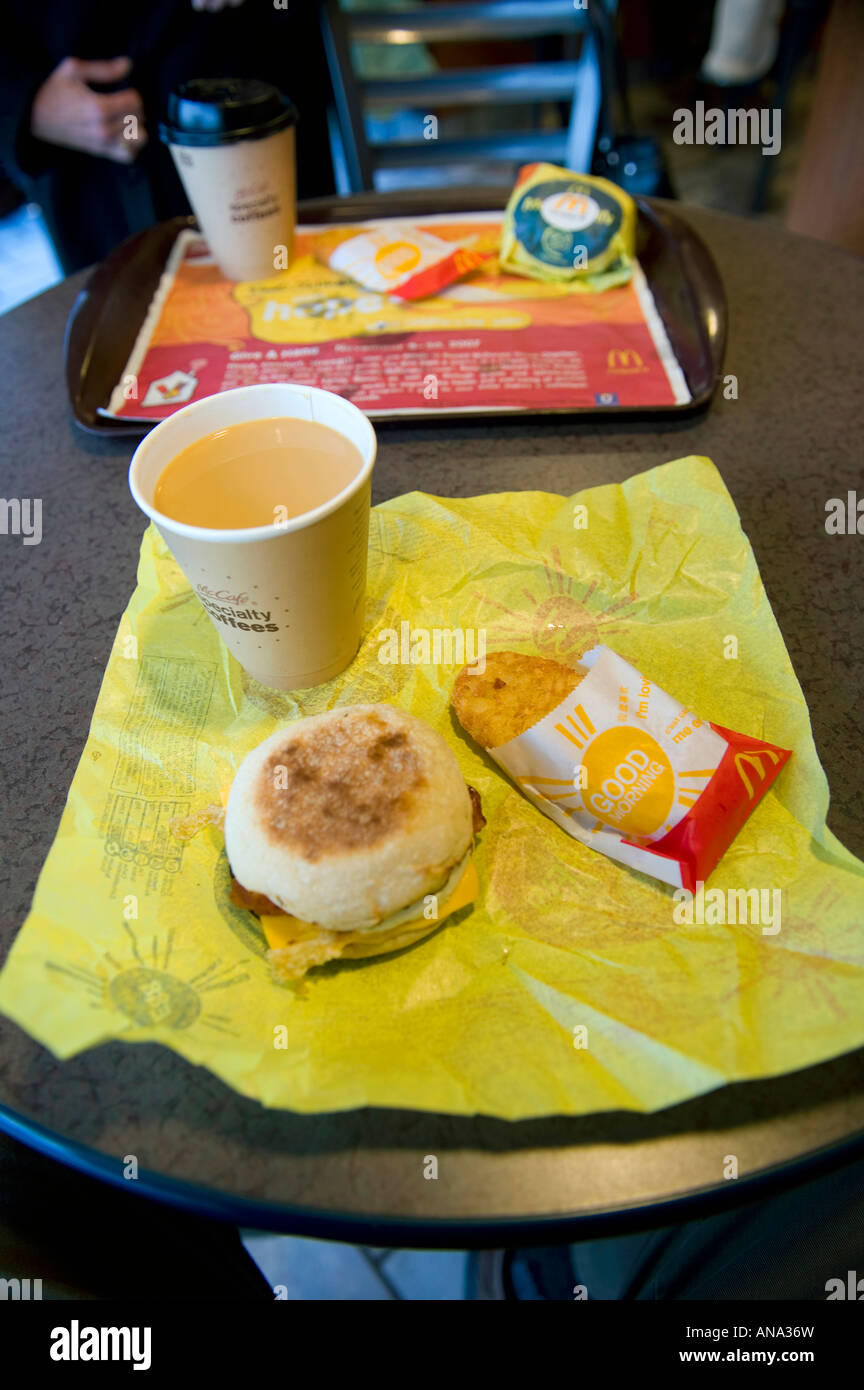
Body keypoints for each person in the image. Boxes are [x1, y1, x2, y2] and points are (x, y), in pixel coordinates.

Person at [0, 0, 335, 275]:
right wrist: (19, 105)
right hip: (82, 155)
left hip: (258, 107)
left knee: (291, 294)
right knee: (125, 325)